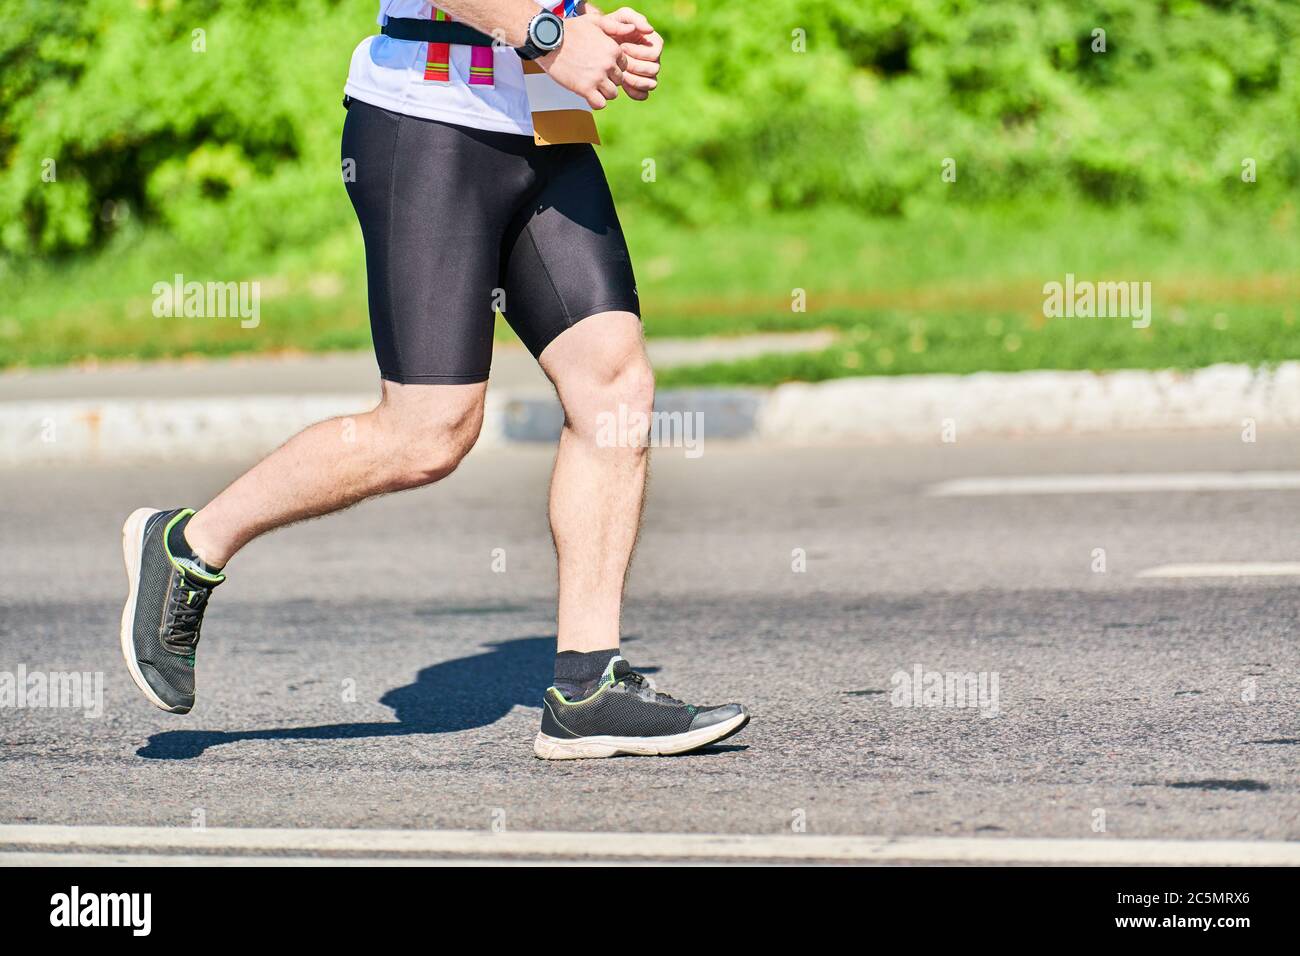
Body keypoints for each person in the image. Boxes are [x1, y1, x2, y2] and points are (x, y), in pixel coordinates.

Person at [118, 0, 749, 760]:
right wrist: (548, 36)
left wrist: (591, 29)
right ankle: (188, 543)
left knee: (613, 386)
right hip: (430, 122)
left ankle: (590, 689)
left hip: (541, 122)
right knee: (428, 433)